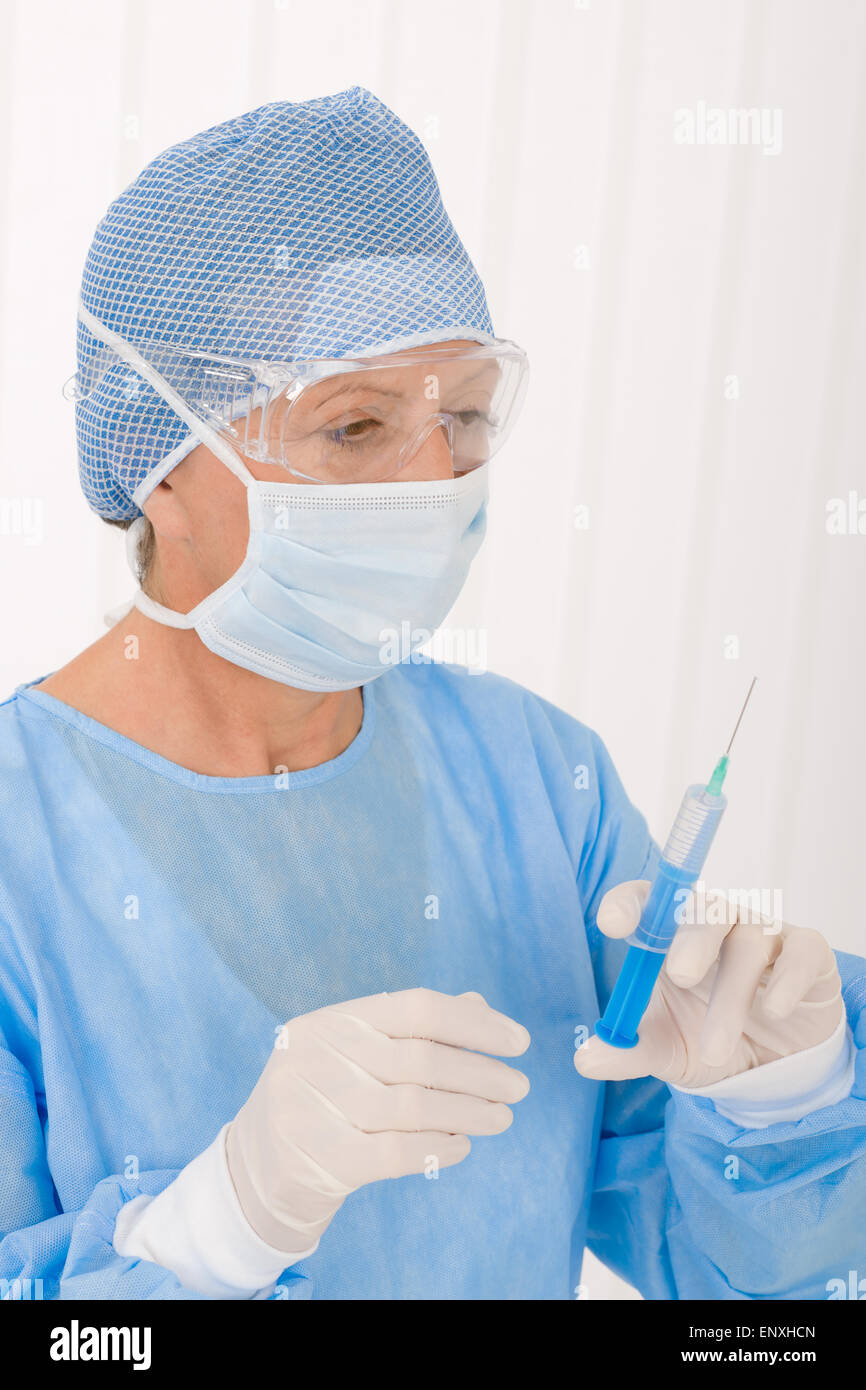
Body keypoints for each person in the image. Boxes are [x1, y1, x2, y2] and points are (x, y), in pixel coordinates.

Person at [0, 86, 862, 1301]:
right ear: (159, 463)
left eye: (460, 416)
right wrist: (217, 1228)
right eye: (354, 426)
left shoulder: (532, 782)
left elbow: (739, 1314)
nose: (434, 479)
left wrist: (780, 1106)